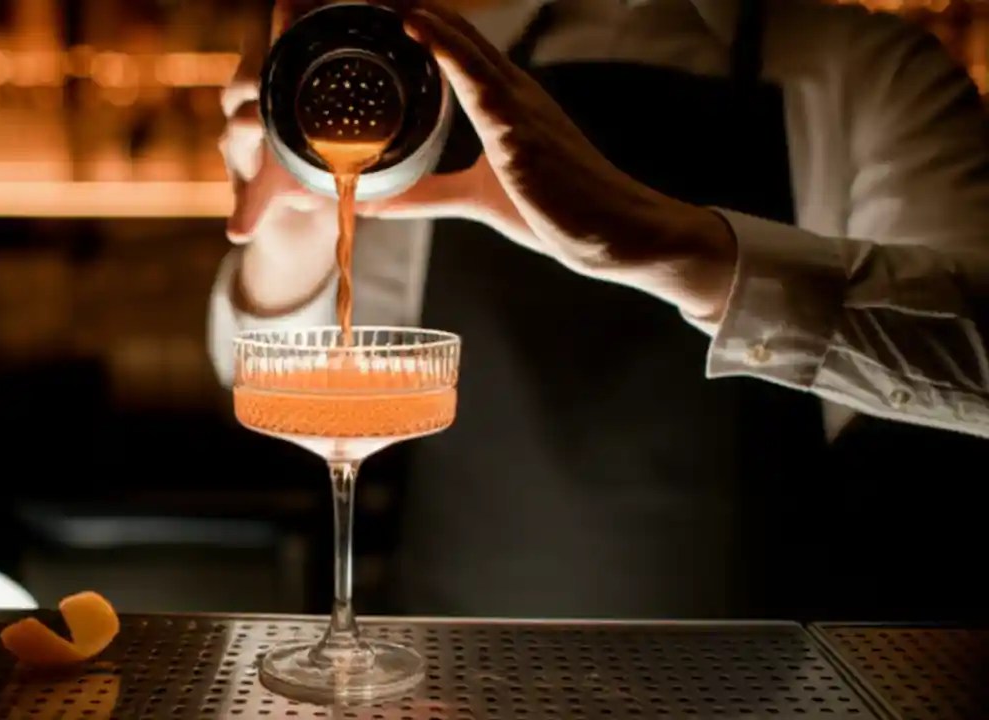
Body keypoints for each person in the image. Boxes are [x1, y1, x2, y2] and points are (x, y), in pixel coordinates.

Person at [209, 0, 989, 619]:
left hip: (772, 674)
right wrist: (296, 229)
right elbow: (286, 362)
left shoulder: (875, 70)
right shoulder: (430, 79)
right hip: (455, 670)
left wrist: (665, 244)